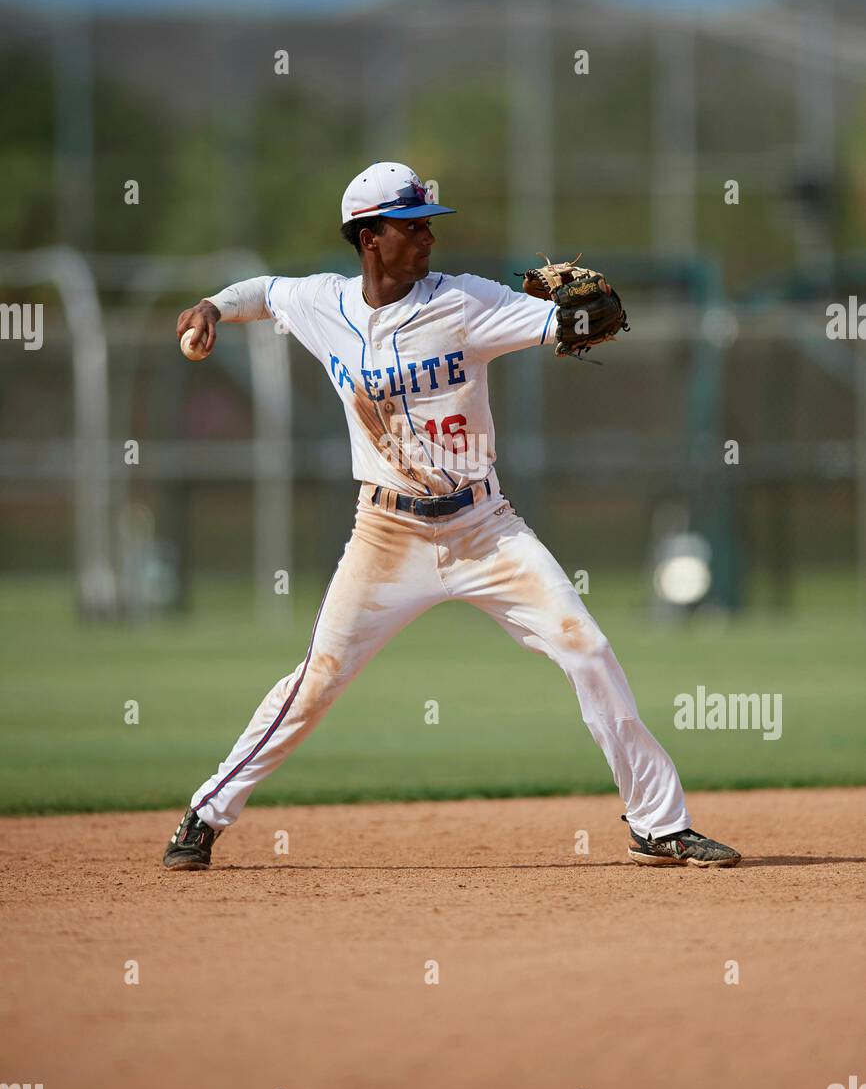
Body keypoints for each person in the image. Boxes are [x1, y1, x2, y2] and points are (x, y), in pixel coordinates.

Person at [163, 161, 741, 871]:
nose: (427, 237)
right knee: (316, 680)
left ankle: (659, 822)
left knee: (585, 647)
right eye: (411, 227)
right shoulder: (326, 305)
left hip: (484, 527)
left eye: (428, 224)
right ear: (369, 237)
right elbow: (267, 294)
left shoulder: (466, 301)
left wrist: (583, 317)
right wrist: (214, 306)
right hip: (386, 534)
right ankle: (205, 813)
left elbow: (577, 323)